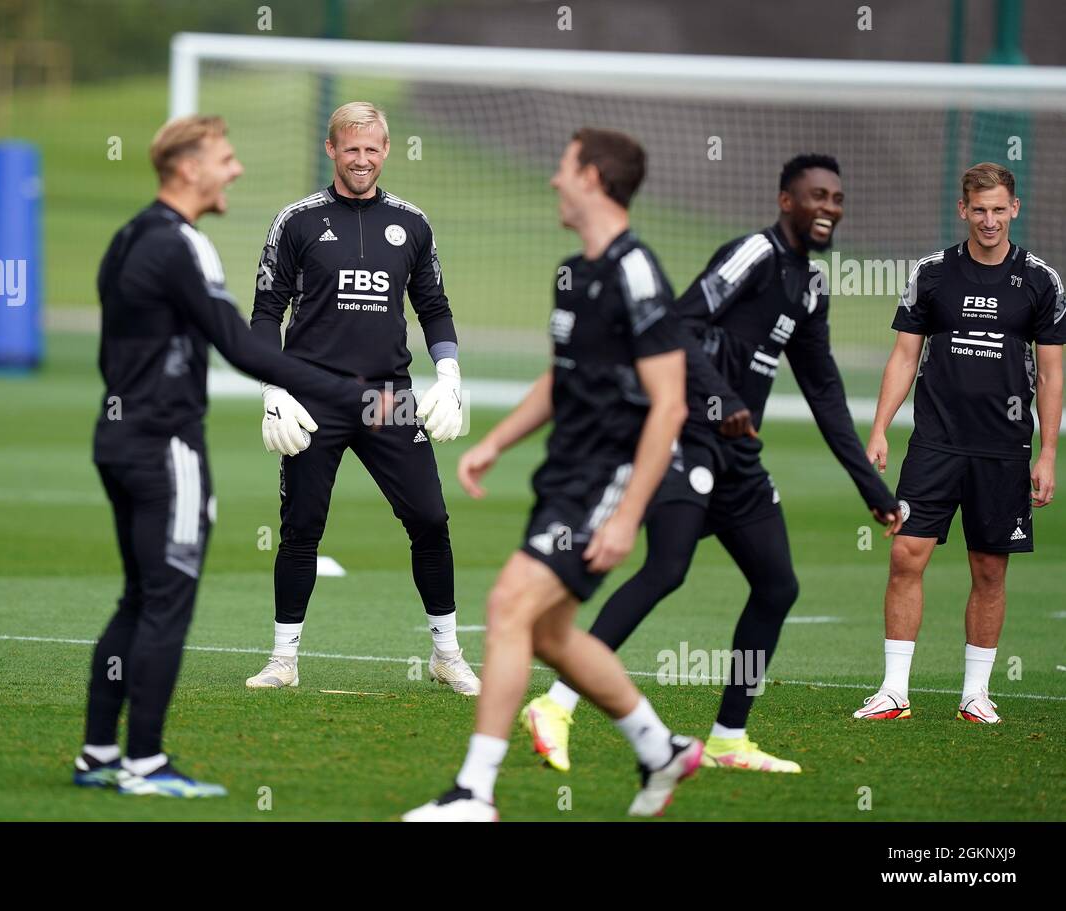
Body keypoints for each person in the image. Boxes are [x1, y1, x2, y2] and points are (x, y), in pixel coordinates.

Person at [525, 154, 901, 774]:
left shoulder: (809, 286)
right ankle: (557, 703)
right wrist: (718, 396)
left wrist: (873, 488)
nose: (829, 207)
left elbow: (824, 391)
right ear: (787, 201)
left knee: (777, 585)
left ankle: (729, 739)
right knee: (666, 569)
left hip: (738, 454)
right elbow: (678, 321)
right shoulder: (751, 253)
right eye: (817, 196)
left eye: (837, 197)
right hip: (688, 436)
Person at [75, 115, 387, 798]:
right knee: (167, 603)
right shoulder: (183, 243)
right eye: (225, 157)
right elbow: (240, 345)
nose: (237, 169)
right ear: (187, 168)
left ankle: (99, 752)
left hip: (119, 436)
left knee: (139, 596)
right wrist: (348, 393)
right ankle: (147, 764)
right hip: (165, 446)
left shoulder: (130, 234)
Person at [404, 128, 701, 821]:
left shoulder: (637, 272)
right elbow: (560, 377)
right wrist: (497, 442)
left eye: (563, 168)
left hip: (607, 479)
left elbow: (672, 403)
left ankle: (475, 791)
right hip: (564, 474)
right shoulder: (574, 270)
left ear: (593, 177)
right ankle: (659, 748)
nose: (553, 180)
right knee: (549, 633)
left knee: (509, 605)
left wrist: (628, 512)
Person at [244, 101, 478, 695]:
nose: (362, 159)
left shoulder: (412, 224)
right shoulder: (295, 222)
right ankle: (282, 660)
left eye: (372, 148)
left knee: (429, 518)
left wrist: (448, 374)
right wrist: (271, 386)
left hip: (388, 397)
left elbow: (435, 309)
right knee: (301, 527)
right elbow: (265, 314)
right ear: (331, 150)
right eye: (351, 148)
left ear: (386, 150)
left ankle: (447, 654)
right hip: (312, 397)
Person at [854, 162, 1063, 724]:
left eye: (999, 209)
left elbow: (1051, 374)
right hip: (935, 443)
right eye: (980, 209)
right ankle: (895, 690)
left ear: (1014, 209)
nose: (989, 220)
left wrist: (1047, 452)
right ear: (963, 210)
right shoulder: (933, 273)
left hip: (1004, 448)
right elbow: (904, 356)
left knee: (990, 569)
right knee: (905, 555)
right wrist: (878, 428)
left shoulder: (1041, 281)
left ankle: (976, 694)